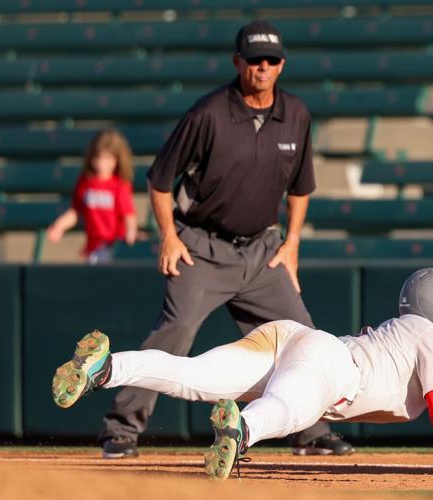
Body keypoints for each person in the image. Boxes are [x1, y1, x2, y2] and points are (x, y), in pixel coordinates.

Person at [95, 19, 353, 459]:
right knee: (174, 332)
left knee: (304, 339)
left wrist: (292, 245)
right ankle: (121, 429)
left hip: (262, 251)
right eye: (254, 60)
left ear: (282, 64)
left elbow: (302, 189)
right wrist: (169, 239)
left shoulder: (296, 115)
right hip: (202, 248)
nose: (263, 67)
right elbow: (159, 181)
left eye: (271, 60)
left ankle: (312, 433)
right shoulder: (208, 113)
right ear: (238, 63)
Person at [52, 268, 433, 480]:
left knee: (196, 376)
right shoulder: (432, 338)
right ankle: (241, 432)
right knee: (294, 409)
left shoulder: (416, 340)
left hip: (294, 339)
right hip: (330, 364)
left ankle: (106, 368)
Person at [46, 129, 137, 264]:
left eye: (107, 158)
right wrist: (59, 226)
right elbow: (76, 211)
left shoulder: (119, 185)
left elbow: (128, 213)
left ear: (117, 160)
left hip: (113, 246)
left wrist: (131, 233)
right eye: (98, 157)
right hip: (92, 247)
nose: (101, 163)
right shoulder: (85, 182)